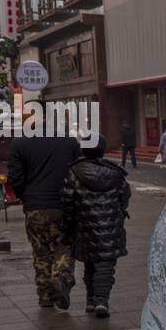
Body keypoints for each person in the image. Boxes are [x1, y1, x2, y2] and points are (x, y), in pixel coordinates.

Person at [7, 129, 81, 309]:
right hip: (63, 205)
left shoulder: (19, 144)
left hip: (35, 206)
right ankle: (60, 277)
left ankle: (45, 295)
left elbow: (15, 177)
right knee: (65, 245)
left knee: (40, 250)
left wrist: (26, 196)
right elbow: (78, 172)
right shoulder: (69, 142)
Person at [61, 135, 131, 319]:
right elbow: (124, 196)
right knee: (105, 264)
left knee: (90, 263)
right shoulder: (116, 173)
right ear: (102, 150)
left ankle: (91, 299)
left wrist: (67, 224)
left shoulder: (74, 171)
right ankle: (101, 300)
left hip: (84, 226)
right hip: (110, 226)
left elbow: (67, 200)